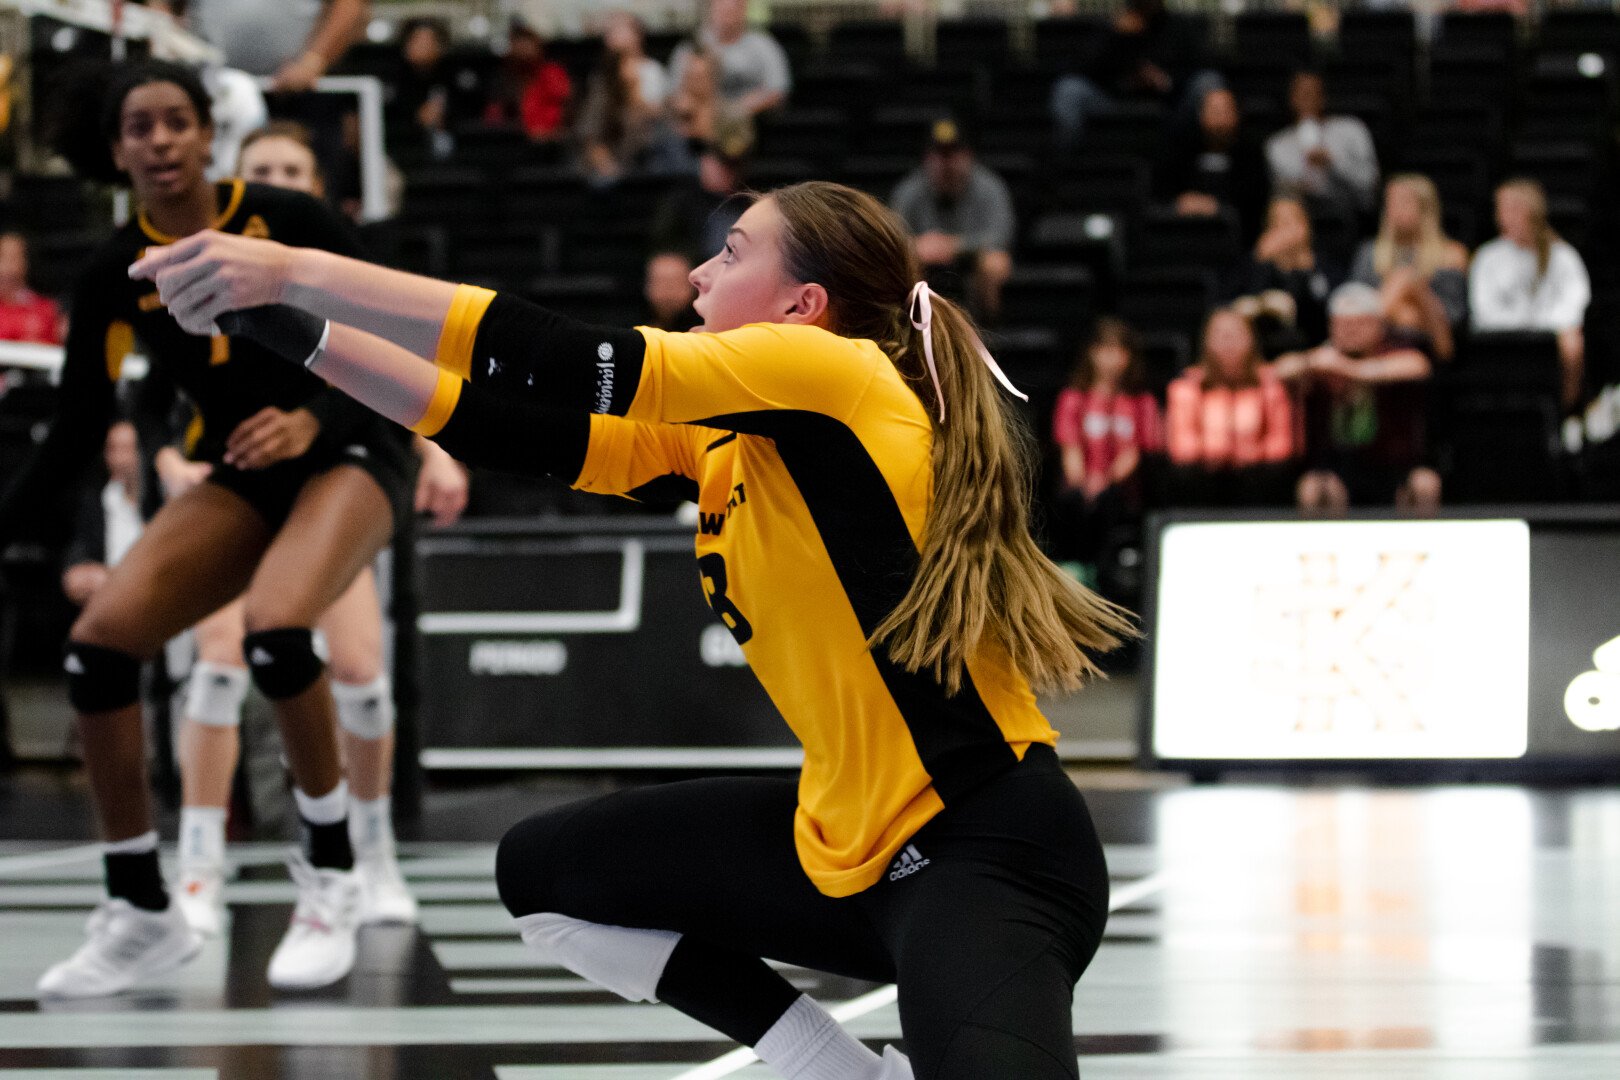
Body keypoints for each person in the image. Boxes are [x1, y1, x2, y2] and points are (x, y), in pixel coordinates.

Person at [135, 179, 1131, 1079]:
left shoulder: (839, 376)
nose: (701, 270)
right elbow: (495, 424)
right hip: (844, 850)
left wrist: (303, 267)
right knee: (548, 877)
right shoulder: (735, 445)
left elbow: (569, 362)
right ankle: (832, 1071)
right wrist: (280, 320)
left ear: (801, 306)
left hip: (988, 852)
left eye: (733, 252)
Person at [0, 61, 415, 998]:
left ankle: (333, 876)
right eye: (139, 128)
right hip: (246, 470)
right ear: (117, 152)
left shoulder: (289, 219)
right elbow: (74, 429)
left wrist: (316, 418)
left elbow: (397, 343)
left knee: (277, 628)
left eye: (176, 122)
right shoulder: (114, 272)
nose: (159, 141)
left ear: (205, 134)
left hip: (353, 445)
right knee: (98, 647)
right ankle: (142, 908)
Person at [153, 122, 469, 937]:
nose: (277, 181)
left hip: (332, 488)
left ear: (317, 188)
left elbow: (396, 376)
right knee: (219, 659)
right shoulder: (193, 273)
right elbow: (146, 388)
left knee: (362, 667)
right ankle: (197, 870)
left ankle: (372, 856)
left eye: (293, 170)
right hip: (237, 493)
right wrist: (163, 458)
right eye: (262, 170)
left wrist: (433, 453)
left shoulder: (345, 277)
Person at [1275, 282, 1439, 513]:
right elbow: (1281, 369)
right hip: (1336, 467)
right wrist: (1311, 363)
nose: (1349, 331)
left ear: (1379, 326)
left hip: (1393, 466)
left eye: (1358, 324)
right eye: (1342, 324)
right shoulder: (1320, 359)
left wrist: (1347, 369)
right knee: (1312, 487)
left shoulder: (1396, 351)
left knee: (1424, 483)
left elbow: (1417, 366)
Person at [1470, 178, 1591, 409]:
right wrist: (1522, 326)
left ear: (1533, 211)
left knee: (1573, 342)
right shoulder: (1488, 257)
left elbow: (1574, 303)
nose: (1504, 216)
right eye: (1501, 208)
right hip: (1501, 337)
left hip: (1547, 335)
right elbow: (1483, 310)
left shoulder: (1562, 255)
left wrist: (1541, 328)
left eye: (1513, 208)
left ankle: (1566, 412)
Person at [1050, 318, 1162, 567]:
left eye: (1118, 351)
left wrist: (1106, 481)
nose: (1111, 359)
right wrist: (1083, 482)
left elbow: (1133, 454)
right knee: (1073, 506)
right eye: (1104, 350)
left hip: (1121, 494)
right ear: (1091, 353)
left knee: (1111, 503)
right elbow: (1071, 449)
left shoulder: (1141, 402)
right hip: (1079, 493)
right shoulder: (1073, 399)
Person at [1049, 0, 1223, 152]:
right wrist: (1116, 36)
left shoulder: (1178, 26)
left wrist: (1165, 81)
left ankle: (1210, 165)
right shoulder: (1111, 26)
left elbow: (1202, 65)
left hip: (1170, 105)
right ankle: (1065, 169)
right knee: (1069, 90)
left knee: (1209, 83)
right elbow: (1083, 68)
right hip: (1115, 101)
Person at [1165, 308, 1296, 507]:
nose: (1228, 342)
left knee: (1275, 474)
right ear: (1205, 341)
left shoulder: (1272, 386)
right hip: (1204, 479)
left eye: (1236, 334)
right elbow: (1182, 447)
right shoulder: (1185, 388)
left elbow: (1281, 444)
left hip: (1258, 479)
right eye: (1220, 334)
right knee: (1184, 475)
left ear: (1252, 340)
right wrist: (1222, 452)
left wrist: (1248, 454)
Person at [888, 119, 1015, 319]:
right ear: (927, 158)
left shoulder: (990, 187)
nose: (946, 163)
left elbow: (1001, 235)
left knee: (995, 263)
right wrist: (917, 246)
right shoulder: (909, 190)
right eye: (939, 154)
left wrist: (954, 246)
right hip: (924, 263)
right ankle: (911, 326)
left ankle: (991, 333)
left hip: (972, 261)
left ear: (968, 155)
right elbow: (893, 238)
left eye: (953, 154)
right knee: (901, 263)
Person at [1349, 174, 1468, 357]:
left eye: (1404, 202)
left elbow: (1452, 321)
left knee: (1405, 278)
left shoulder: (1451, 254)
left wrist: (1414, 292)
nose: (1395, 209)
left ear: (1425, 207)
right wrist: (1406, 313)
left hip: (1428, 349)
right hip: (1375, 345)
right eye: (1390, 202)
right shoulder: (1369, 253)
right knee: (1402, 278)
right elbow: (1354, 308)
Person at [1153, 86, 1270, 246]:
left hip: (1240, 242)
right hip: (1182, 239)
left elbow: (1256, 199)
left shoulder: (1252, 155)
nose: (1220, 119)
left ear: (1237, 114)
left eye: (1225, 110)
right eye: (1214, 110)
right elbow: (1161, 192)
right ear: (1201, 115)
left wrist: (1217, 205)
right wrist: (1183, 201)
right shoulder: (1181, 152)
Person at [1265, 70, 1380, 231]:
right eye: (1302, 93)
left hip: (1352, 215)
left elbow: (1368, 183)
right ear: (1291, 99)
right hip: (1302, 221)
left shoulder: (1352, 129)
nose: (1307, 99)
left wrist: (1333, 163)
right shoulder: (1278, 145)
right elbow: (1284, 192)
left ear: (1323, 97)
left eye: (1312, 93)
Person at [1236, 195, 1343, 352]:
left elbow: (1329, 309)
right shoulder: (1255, 263)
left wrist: (1306, 270)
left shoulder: (1324, 265)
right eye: (1276, 223)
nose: (1284, 229)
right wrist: (1260, 261)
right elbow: (1240, 301)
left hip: (1314, 346)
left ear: (1306, 225)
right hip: (1261, 346)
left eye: (1291, 220)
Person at [577, 12, 670, 186]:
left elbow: (660, 122)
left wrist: (634, 95)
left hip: (649, 160)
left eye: (619, 30)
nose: (612, 36)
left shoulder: (653, 72)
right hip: (610, 167)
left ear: (637, 35)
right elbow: (590, 134)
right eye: (610, 32)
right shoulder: (602, 81)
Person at [61, 421, 147, 609]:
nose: (119, 459)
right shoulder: (99, 499)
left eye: (126, 449)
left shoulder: (155, 501)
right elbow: (78, 553)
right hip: (111, 600)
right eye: (112, 449)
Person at [668, 0, 791, 127]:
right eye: (722, 6)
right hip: (700, 126)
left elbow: (777, 90)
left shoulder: (764, 45)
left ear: (744, 9)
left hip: (755, 125)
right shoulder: (692, 45)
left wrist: (736, 110)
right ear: (711, 8)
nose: (728, 12)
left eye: (734, 7)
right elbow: (675, 94)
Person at [649, 135, 751, 268]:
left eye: (728, 167)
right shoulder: (682, 200)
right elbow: (663, 241)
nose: (721, 171)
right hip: (693, 269)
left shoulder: (745, 203)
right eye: (715, 163)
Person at [484, 20, 572, 143]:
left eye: (527, 43)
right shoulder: (504, 79)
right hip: (515, 144)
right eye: (518, 43)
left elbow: (566, 110)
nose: (523, 48)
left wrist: (550, 132)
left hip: (552, 144)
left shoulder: (553, 74)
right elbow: (494, 119)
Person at [388, 18, 455, 157]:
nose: (421, 46)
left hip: (454, 154)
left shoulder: (453, 75)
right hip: (401, 150)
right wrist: (416, 115)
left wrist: (444, 116)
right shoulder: (392, 76)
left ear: (441, 46)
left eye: (428, 41)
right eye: (415, 40)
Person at [0, 232, 63, 345]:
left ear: (26, 262)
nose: (6, 267)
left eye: (14, 258)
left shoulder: (46, 311)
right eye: (2, 257)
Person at [643, 250, 701, 331]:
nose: (667, 292)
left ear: (693, 287)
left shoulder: (704, 329)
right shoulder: (632, 327)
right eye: (660, 282)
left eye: (675, 283)